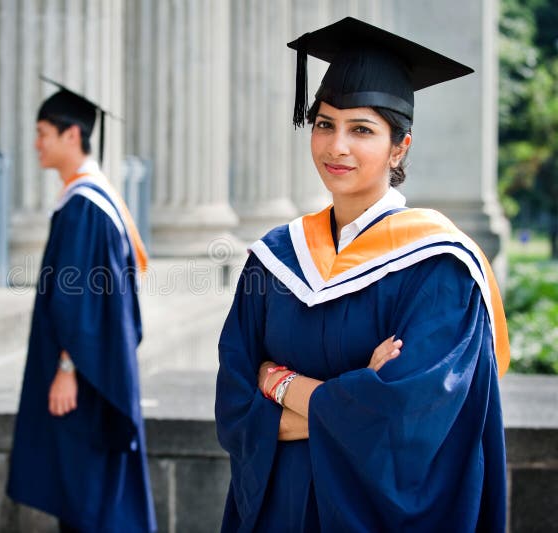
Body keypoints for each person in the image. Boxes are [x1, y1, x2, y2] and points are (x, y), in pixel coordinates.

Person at [215, 17, 510, 532]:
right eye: (325, 124)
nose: (337, 148)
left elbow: (405, 423)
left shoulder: (439, 269)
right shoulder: (277, 258)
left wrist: (279, 383)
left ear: (400, 148)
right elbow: (234, 405)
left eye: (362, 130)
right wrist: (353, 394)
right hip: (274, 514)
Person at [6, 80, 156, 533]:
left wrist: (68, 367)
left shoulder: (86, 207)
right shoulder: (89, 199)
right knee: (85, 492)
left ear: (72, 135)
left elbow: (85, 298)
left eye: (42, 133)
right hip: (91, 367)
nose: (36, 144)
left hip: (84, 376)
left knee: (86, 495)